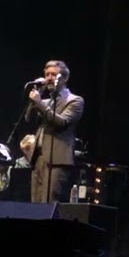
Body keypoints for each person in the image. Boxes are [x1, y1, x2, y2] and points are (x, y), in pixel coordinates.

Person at [27, 60, 85, 203]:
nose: (49, 78)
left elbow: (62, 122)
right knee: (35, 204)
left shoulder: (75, 101)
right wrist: (35, 100)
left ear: (64, 78)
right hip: (38, 158)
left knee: (49, 203)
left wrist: (39, 103)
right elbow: (29, 119)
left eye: (54, 74)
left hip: (57, 160)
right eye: (47, 74)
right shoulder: (45, 102)